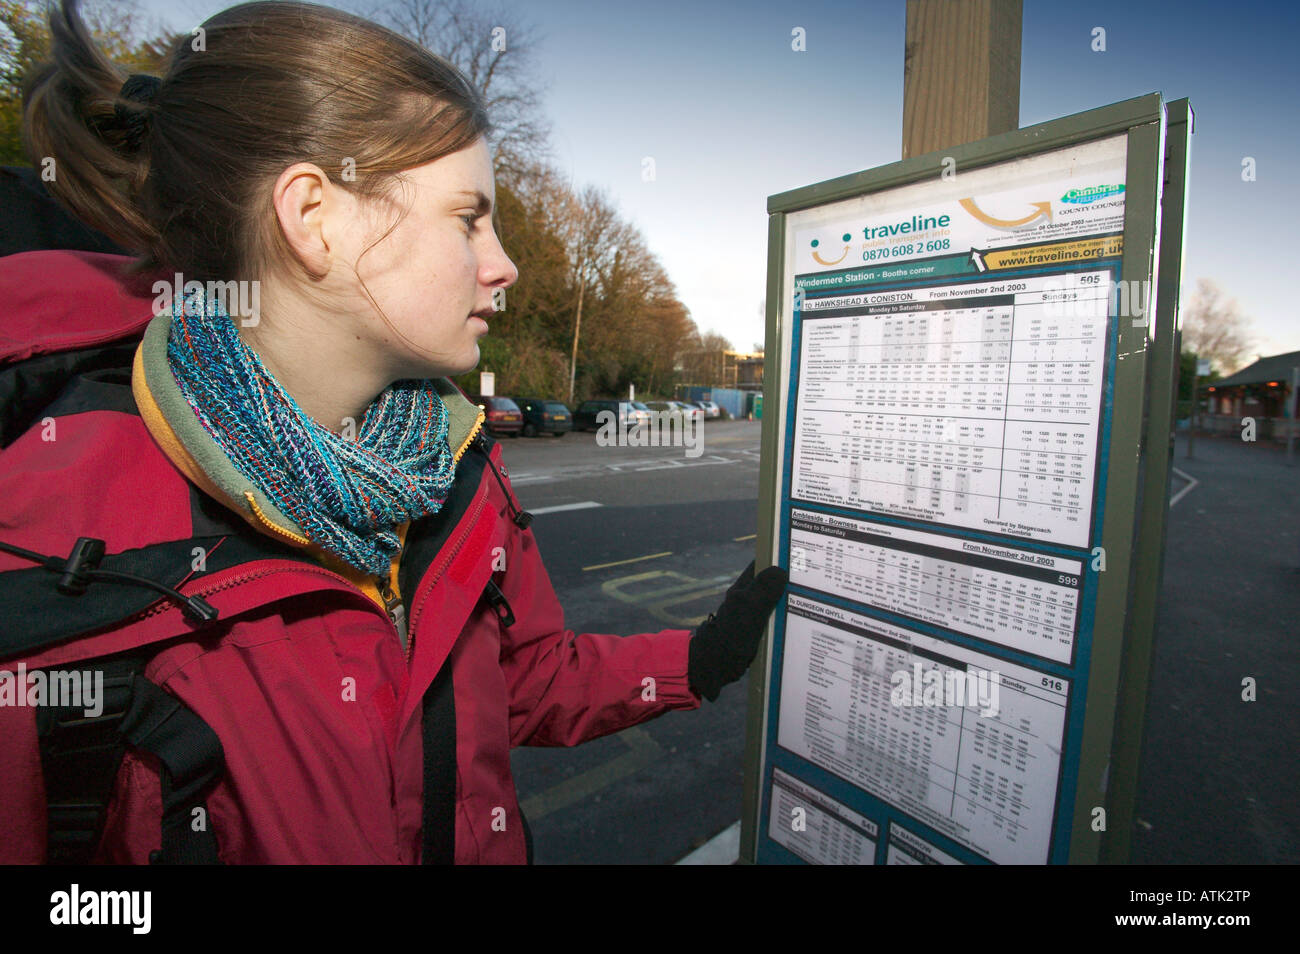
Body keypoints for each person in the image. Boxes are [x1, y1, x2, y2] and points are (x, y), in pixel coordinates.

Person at [0, 0, 787, 864]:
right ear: (316, 218)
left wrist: (697, 660)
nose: (505, 264)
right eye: (467, 217)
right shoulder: (39, 541)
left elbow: (520, 679)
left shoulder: (454, 465)